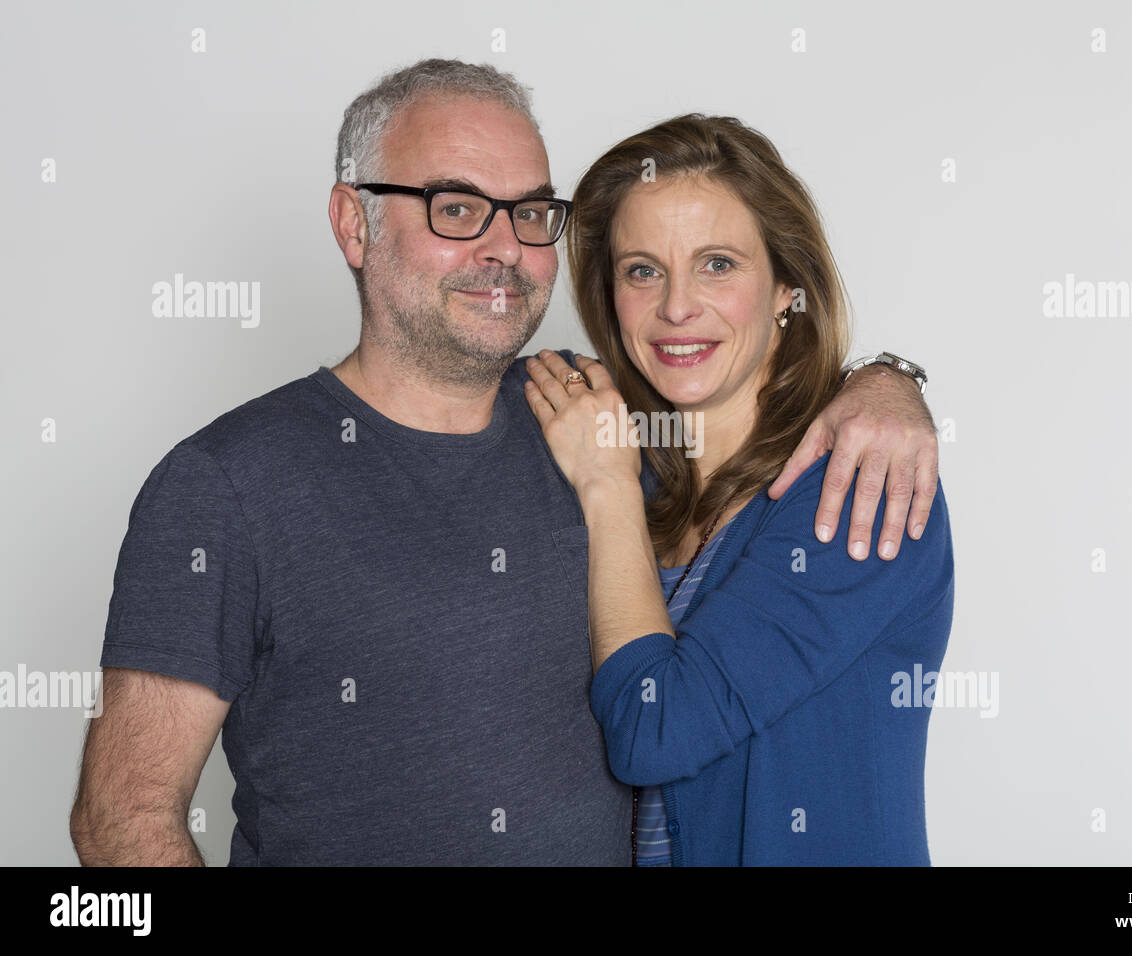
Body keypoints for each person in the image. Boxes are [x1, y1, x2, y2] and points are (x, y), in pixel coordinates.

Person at [69, 59, 941, 865]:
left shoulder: (600, 430)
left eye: (528, 213)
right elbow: (125, 815)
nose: (502, 249)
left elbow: (740, 398)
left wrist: (883, 381)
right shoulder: (229, 484)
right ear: (353, 224)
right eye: (455, 207)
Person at [524, 114, 954, 865]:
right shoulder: (624, 448)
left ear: (789, 286)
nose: (677, 307)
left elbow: (655, 729)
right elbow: (443, 381)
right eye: (641, 269)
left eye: (718, 264)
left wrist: (608, 489)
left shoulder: (860, 482)